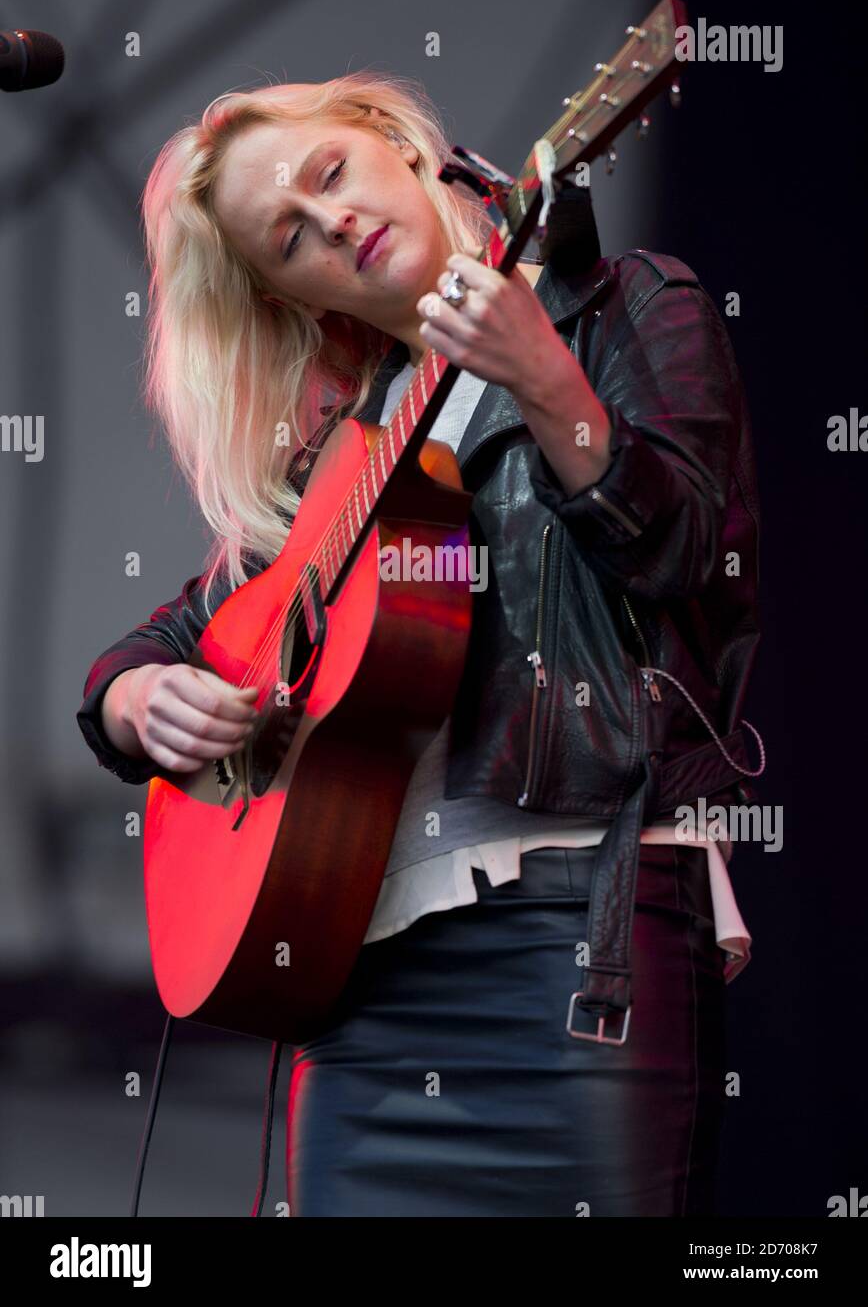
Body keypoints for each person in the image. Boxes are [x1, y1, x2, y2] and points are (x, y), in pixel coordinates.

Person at [76, 71, 764, 1217]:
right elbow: (159, 645)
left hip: (575, 944)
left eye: (330, 173)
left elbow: (696, 556)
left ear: (397, 143)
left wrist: (545, 381)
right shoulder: (340, 462)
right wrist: (141, 703)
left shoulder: (621, 308)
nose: (330, 219)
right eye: (288, 235)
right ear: (291, 294)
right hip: (364, 997)